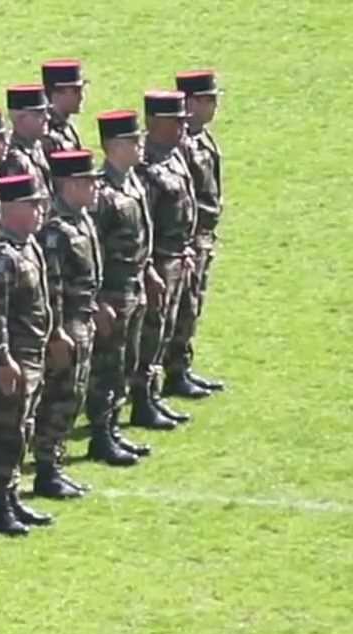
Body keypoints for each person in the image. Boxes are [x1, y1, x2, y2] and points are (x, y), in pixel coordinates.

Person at [0, 175, 57, 537]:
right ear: (12, 210)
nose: (40, 211)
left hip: (33, 353)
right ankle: (0, 505)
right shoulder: (3, 258)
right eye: (33, 205)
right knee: (7, 433)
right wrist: (3, 358)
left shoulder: (30, 247)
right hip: (15, 361)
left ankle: (11, 497)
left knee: (23, 428)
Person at [32, 151, 104, 497]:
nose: (94, 188)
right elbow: (53, 286)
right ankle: (46, 468)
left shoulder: (82, 219)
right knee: (59, 397)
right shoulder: (56, 230)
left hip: (84, 318)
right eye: (87, 182)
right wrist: (57, 332)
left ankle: (56, 463)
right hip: (68, 324)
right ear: (69, 185)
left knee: (74, 394)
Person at [86, 110, 155, 465]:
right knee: (107, 367)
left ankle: (113, 428)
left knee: (126, 362)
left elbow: (143, 235)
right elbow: (91, 251)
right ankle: (100, 434)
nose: (140, 145)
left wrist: (148, 272)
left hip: (133, 286)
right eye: (133, 141)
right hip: (113, 293)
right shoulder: (103, 194)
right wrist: (97, 300)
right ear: (114, 146)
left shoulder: (132, 182)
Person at [134, 90, 197, 429]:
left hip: (177, 258)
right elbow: (145, 226)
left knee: (166, 330)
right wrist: (148, 269)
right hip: (158, 263)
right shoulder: (147, 168)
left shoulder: (173, 157)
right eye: (177, 122)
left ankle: (156, 396)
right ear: (158, 123)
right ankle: (142, 401)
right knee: (151, 334)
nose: (183, 128)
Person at [168, 69, 227, 395]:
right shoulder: (182, 144)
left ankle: (182, 367)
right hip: (189, 239)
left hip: (204, 234)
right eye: (207, 100)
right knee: (181, 308)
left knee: (193, 305)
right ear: (189, 103)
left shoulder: (202, 138)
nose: (213, 107)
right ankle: (173, 372)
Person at [0, 85, 53, 210]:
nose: (47, 117)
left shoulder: (37, 147)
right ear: (20, 118)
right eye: (40, 113)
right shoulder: (14, 159)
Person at [42, 59, 88, 153]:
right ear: (56, 93)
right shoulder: (46, 133)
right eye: (76, 91)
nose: (81, 97)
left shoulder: (67, 125)